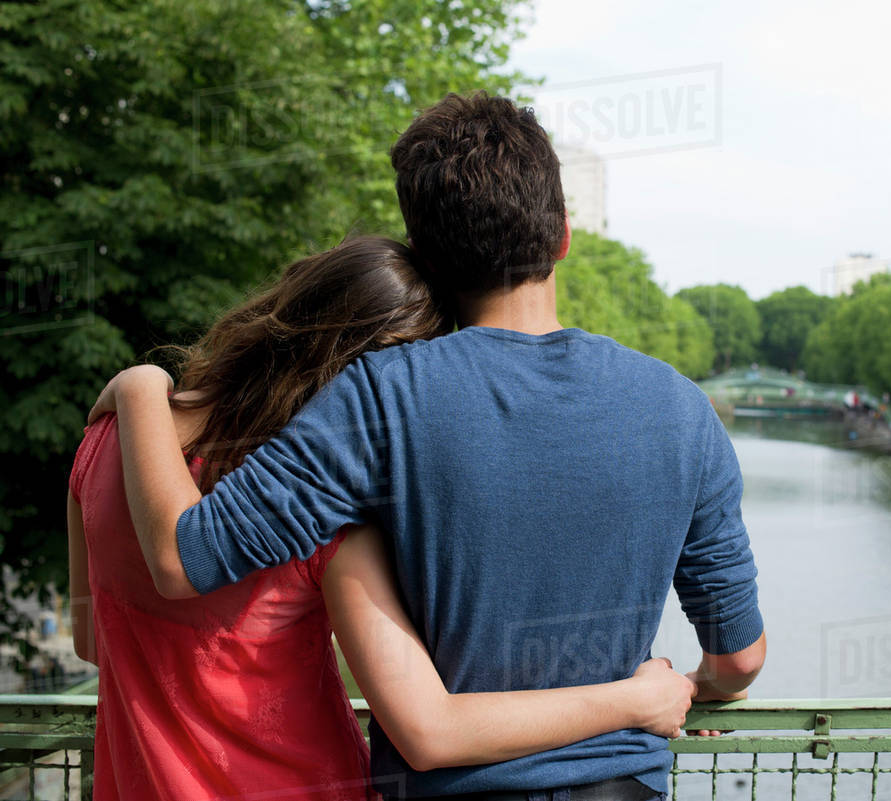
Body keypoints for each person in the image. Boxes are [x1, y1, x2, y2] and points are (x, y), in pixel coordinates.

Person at [90, 93, 765, 801]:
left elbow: (181, 557)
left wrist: (142, 386)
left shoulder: (378, 397)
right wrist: (679, 690)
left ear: (428, 262)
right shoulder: (683, 410)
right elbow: (739, 655)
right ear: (563, 235)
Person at [69, 238, 696, 801]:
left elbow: (89, 639)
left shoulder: (101, 449)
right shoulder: (332, 526)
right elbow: (429, 729)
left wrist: (139, 386)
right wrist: (636, 699)